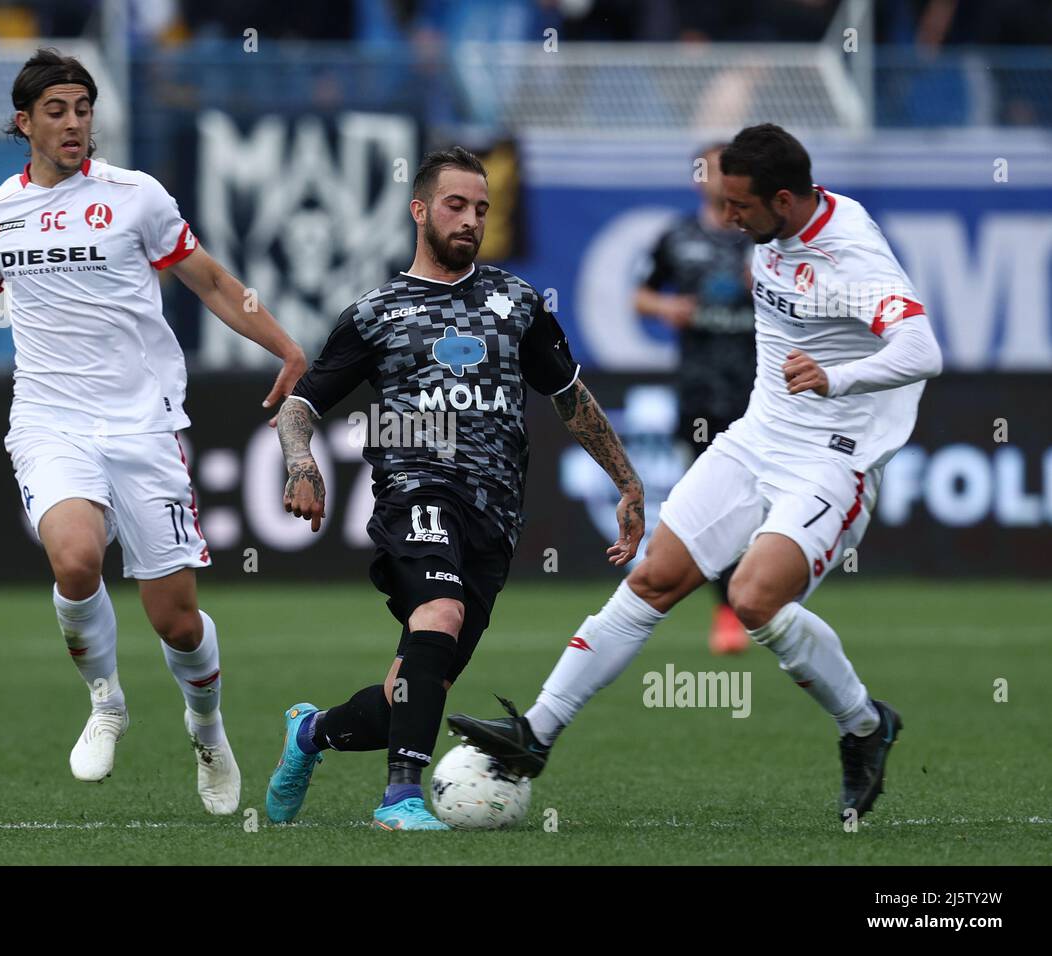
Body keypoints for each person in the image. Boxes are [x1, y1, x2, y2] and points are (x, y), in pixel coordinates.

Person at [449, 124, 943, 823]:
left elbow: (924, 348)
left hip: (834, 457)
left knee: (753, 598)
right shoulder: (769, 235)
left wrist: (839, 377)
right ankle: (536, 733)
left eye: (738, 205)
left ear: (781, 197)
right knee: (652, 578)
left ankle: (865, 726)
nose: (727, 218)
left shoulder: (849, 254)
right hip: (757, 439)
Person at [0, 49, 306, 814]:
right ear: (24, 122)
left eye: (84, 109)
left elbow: (209, 280)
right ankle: (107, 701)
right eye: (58, 111)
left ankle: (206, 728)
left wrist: (288, 347)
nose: (75, 124)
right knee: (74, 563)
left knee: (174, 618)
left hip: (143, 426)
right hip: (49, 421)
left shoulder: (136, 198)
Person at [266, 146, 645, 830]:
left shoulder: (517, 303)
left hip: (493, 519)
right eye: (455, 205)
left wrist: (627, 481)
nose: (470, 220)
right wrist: (301, 463)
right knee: (437, 612)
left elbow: (569, 397)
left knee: (406, 698)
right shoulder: (376, 313)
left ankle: (310, 734)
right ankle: (402, 799)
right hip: (416, 492)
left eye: (481, 209)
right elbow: (300, 405)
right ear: (420, 211)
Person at [634, 143, 756, 653]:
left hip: (761, 393)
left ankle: (762, 594)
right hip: (700, 392)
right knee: (712, 508)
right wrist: (667, 308)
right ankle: (729, 608)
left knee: (760, 504)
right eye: (710, 168)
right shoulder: (677, 238)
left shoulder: (764, 239)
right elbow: (639, 294)